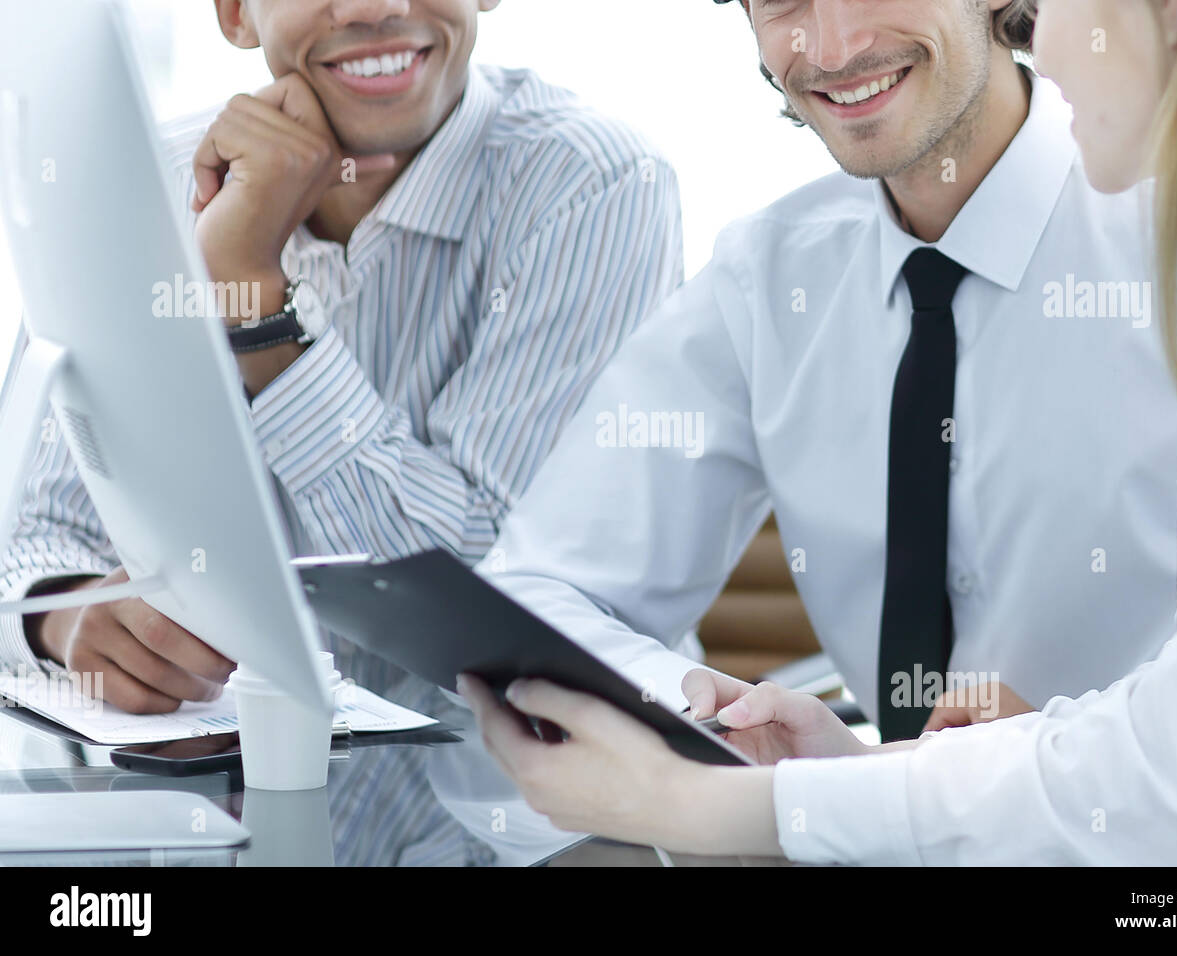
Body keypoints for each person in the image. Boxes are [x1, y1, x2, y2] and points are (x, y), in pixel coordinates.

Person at [464, 0, 1177, 866]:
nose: (831, 46)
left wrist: (728, 805)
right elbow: (538, 589)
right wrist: (722, 729)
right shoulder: (773, 276)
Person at [0, 0, 683, 713]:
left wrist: (254, 297)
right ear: (235, 13)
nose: (377, 6)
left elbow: (496, 608)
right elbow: (32, 522)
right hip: (220, 792)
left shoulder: (595, 186)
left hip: (501, 803)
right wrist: (59, 614)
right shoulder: (140, 187)